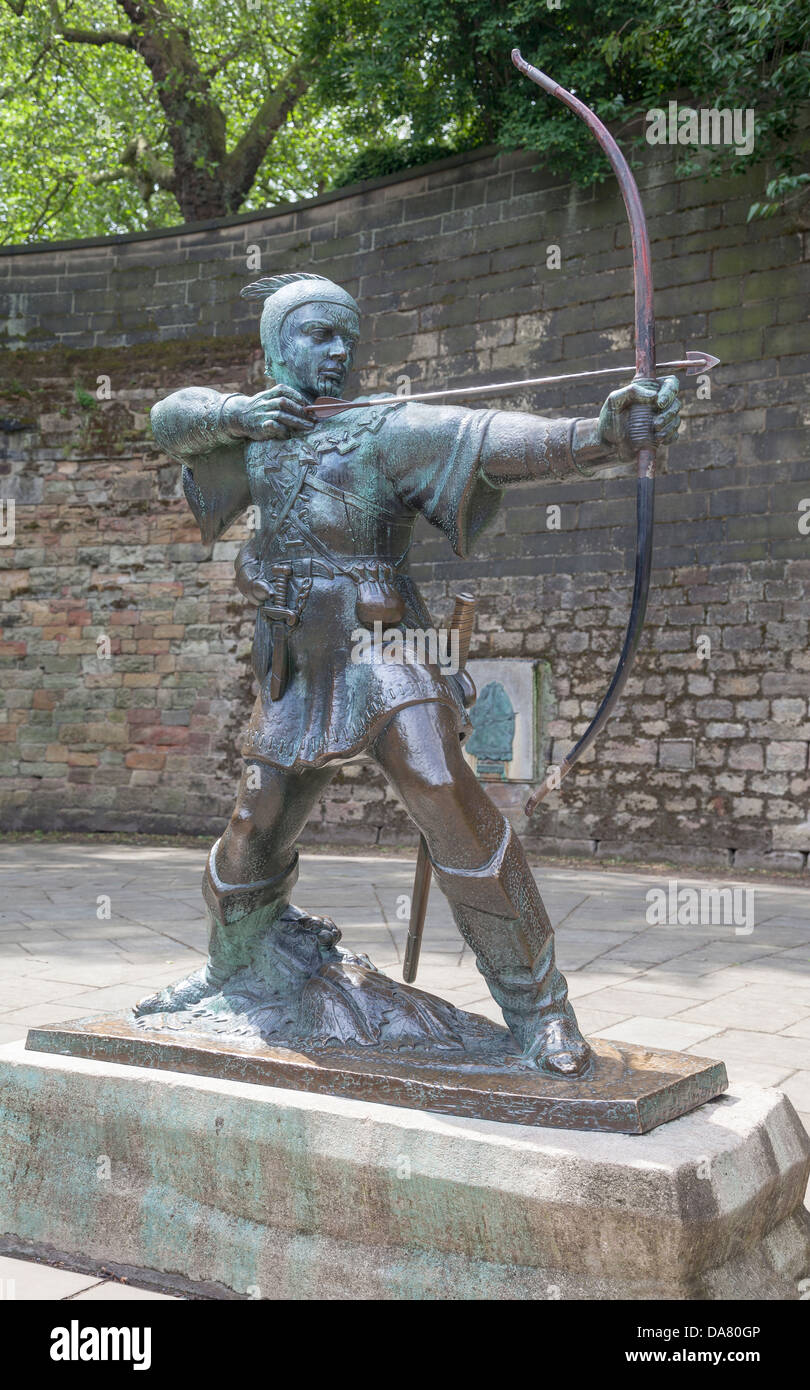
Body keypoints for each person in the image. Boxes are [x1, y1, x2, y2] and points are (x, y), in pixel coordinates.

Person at [139, 272, 680, 1076]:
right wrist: (237, 414)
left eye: (347, 337)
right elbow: (167, 418)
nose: (338, 350)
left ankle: (542, 1010)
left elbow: (491, 436)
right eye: (317, 334)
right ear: (274, 344)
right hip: (295, 654)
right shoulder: (253, 434)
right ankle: (233, 967)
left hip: (385, 646)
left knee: (438, 783)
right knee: (257, 821)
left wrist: (599, 434)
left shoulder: (384, 430)